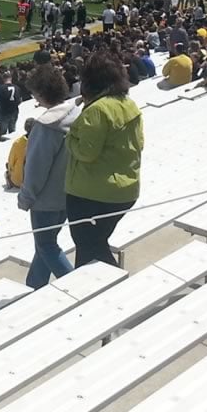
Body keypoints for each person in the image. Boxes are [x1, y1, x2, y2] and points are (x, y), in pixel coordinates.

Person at [65, 53, 144, 267]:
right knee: (91, 245)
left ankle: (116, 286)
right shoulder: (128, 104)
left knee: (90, 245)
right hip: (125, 189)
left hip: (93, 193)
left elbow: (86, 152)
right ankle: (88, 290)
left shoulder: (98, 110)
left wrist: (70, 138)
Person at [18, 64, 76, 288]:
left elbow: (36, 169)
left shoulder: (45, 125)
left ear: (41, 94)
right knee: (45, 244)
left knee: (46, 245)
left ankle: (76, 288)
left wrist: (26, 198)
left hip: (46, 200)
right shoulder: (76, 113)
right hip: (68, 193)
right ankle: (34, 285)